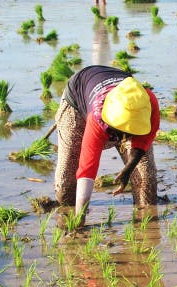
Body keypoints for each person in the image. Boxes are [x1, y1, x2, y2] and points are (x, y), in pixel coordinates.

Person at [54, 65, 160, 225]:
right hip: (75, 102)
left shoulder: (146, 103)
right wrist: (80, 219)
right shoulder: (96, 117)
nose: (121, 137)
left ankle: (146, 228)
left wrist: (128, 169)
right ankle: (69, 220)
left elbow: (145, 138)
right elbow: (87, 169)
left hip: (126, 102)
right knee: (65, 182)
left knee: (146, 179)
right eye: (120, 131)